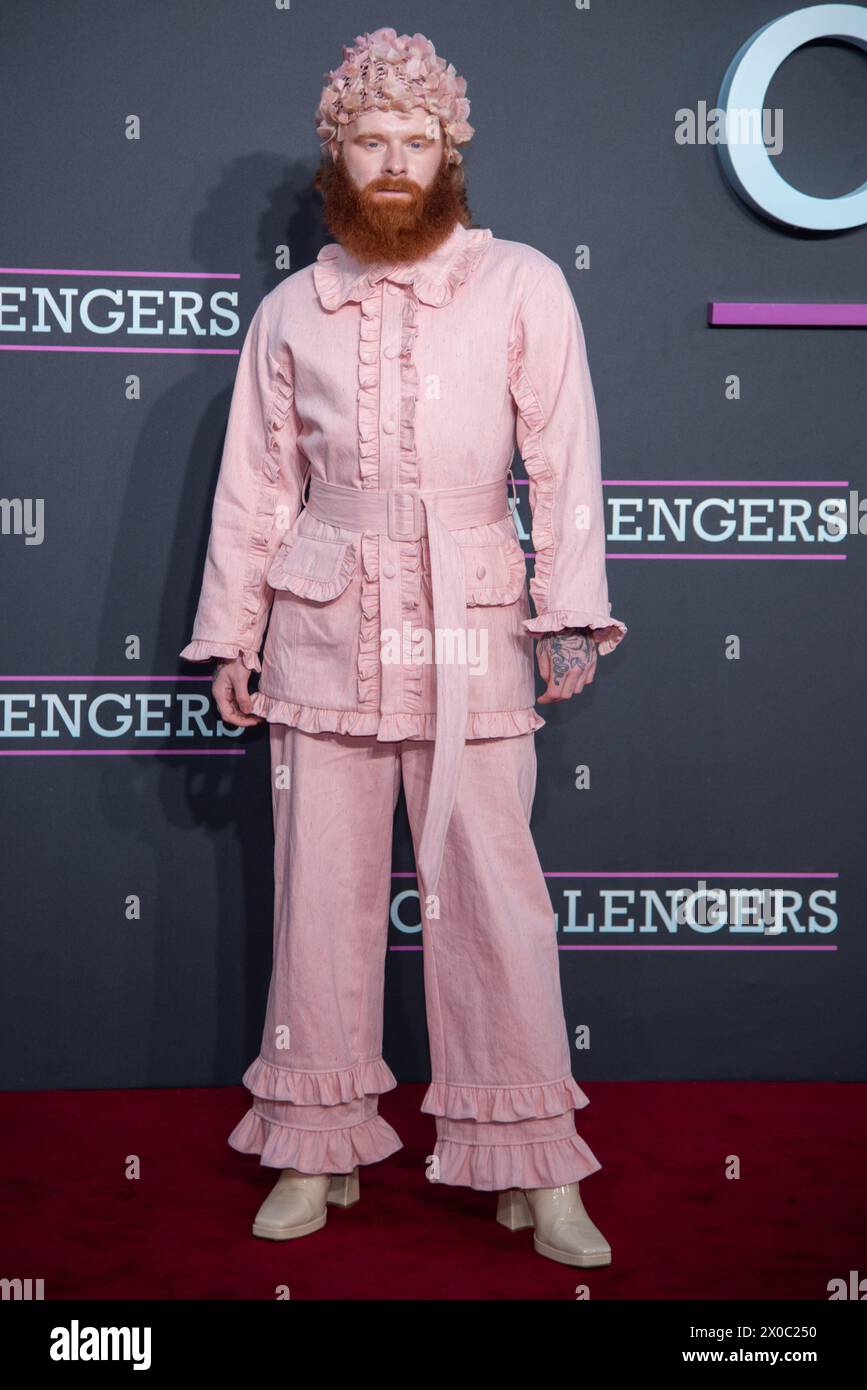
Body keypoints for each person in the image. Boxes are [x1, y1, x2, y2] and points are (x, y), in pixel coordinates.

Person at [179, 26, 626, 1268]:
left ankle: (533, 1166)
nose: (392, 159)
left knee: (496, 899)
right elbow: (256, 486)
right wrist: (232, 632)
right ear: (339, 156)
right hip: (320, 626)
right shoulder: (290, 311)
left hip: (475, 617)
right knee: (318, 895)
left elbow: (566, 458)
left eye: (414, 139)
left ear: (448, 154)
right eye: (369, 139)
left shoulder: (524, 282)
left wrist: (570, 608)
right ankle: (314, 1144)